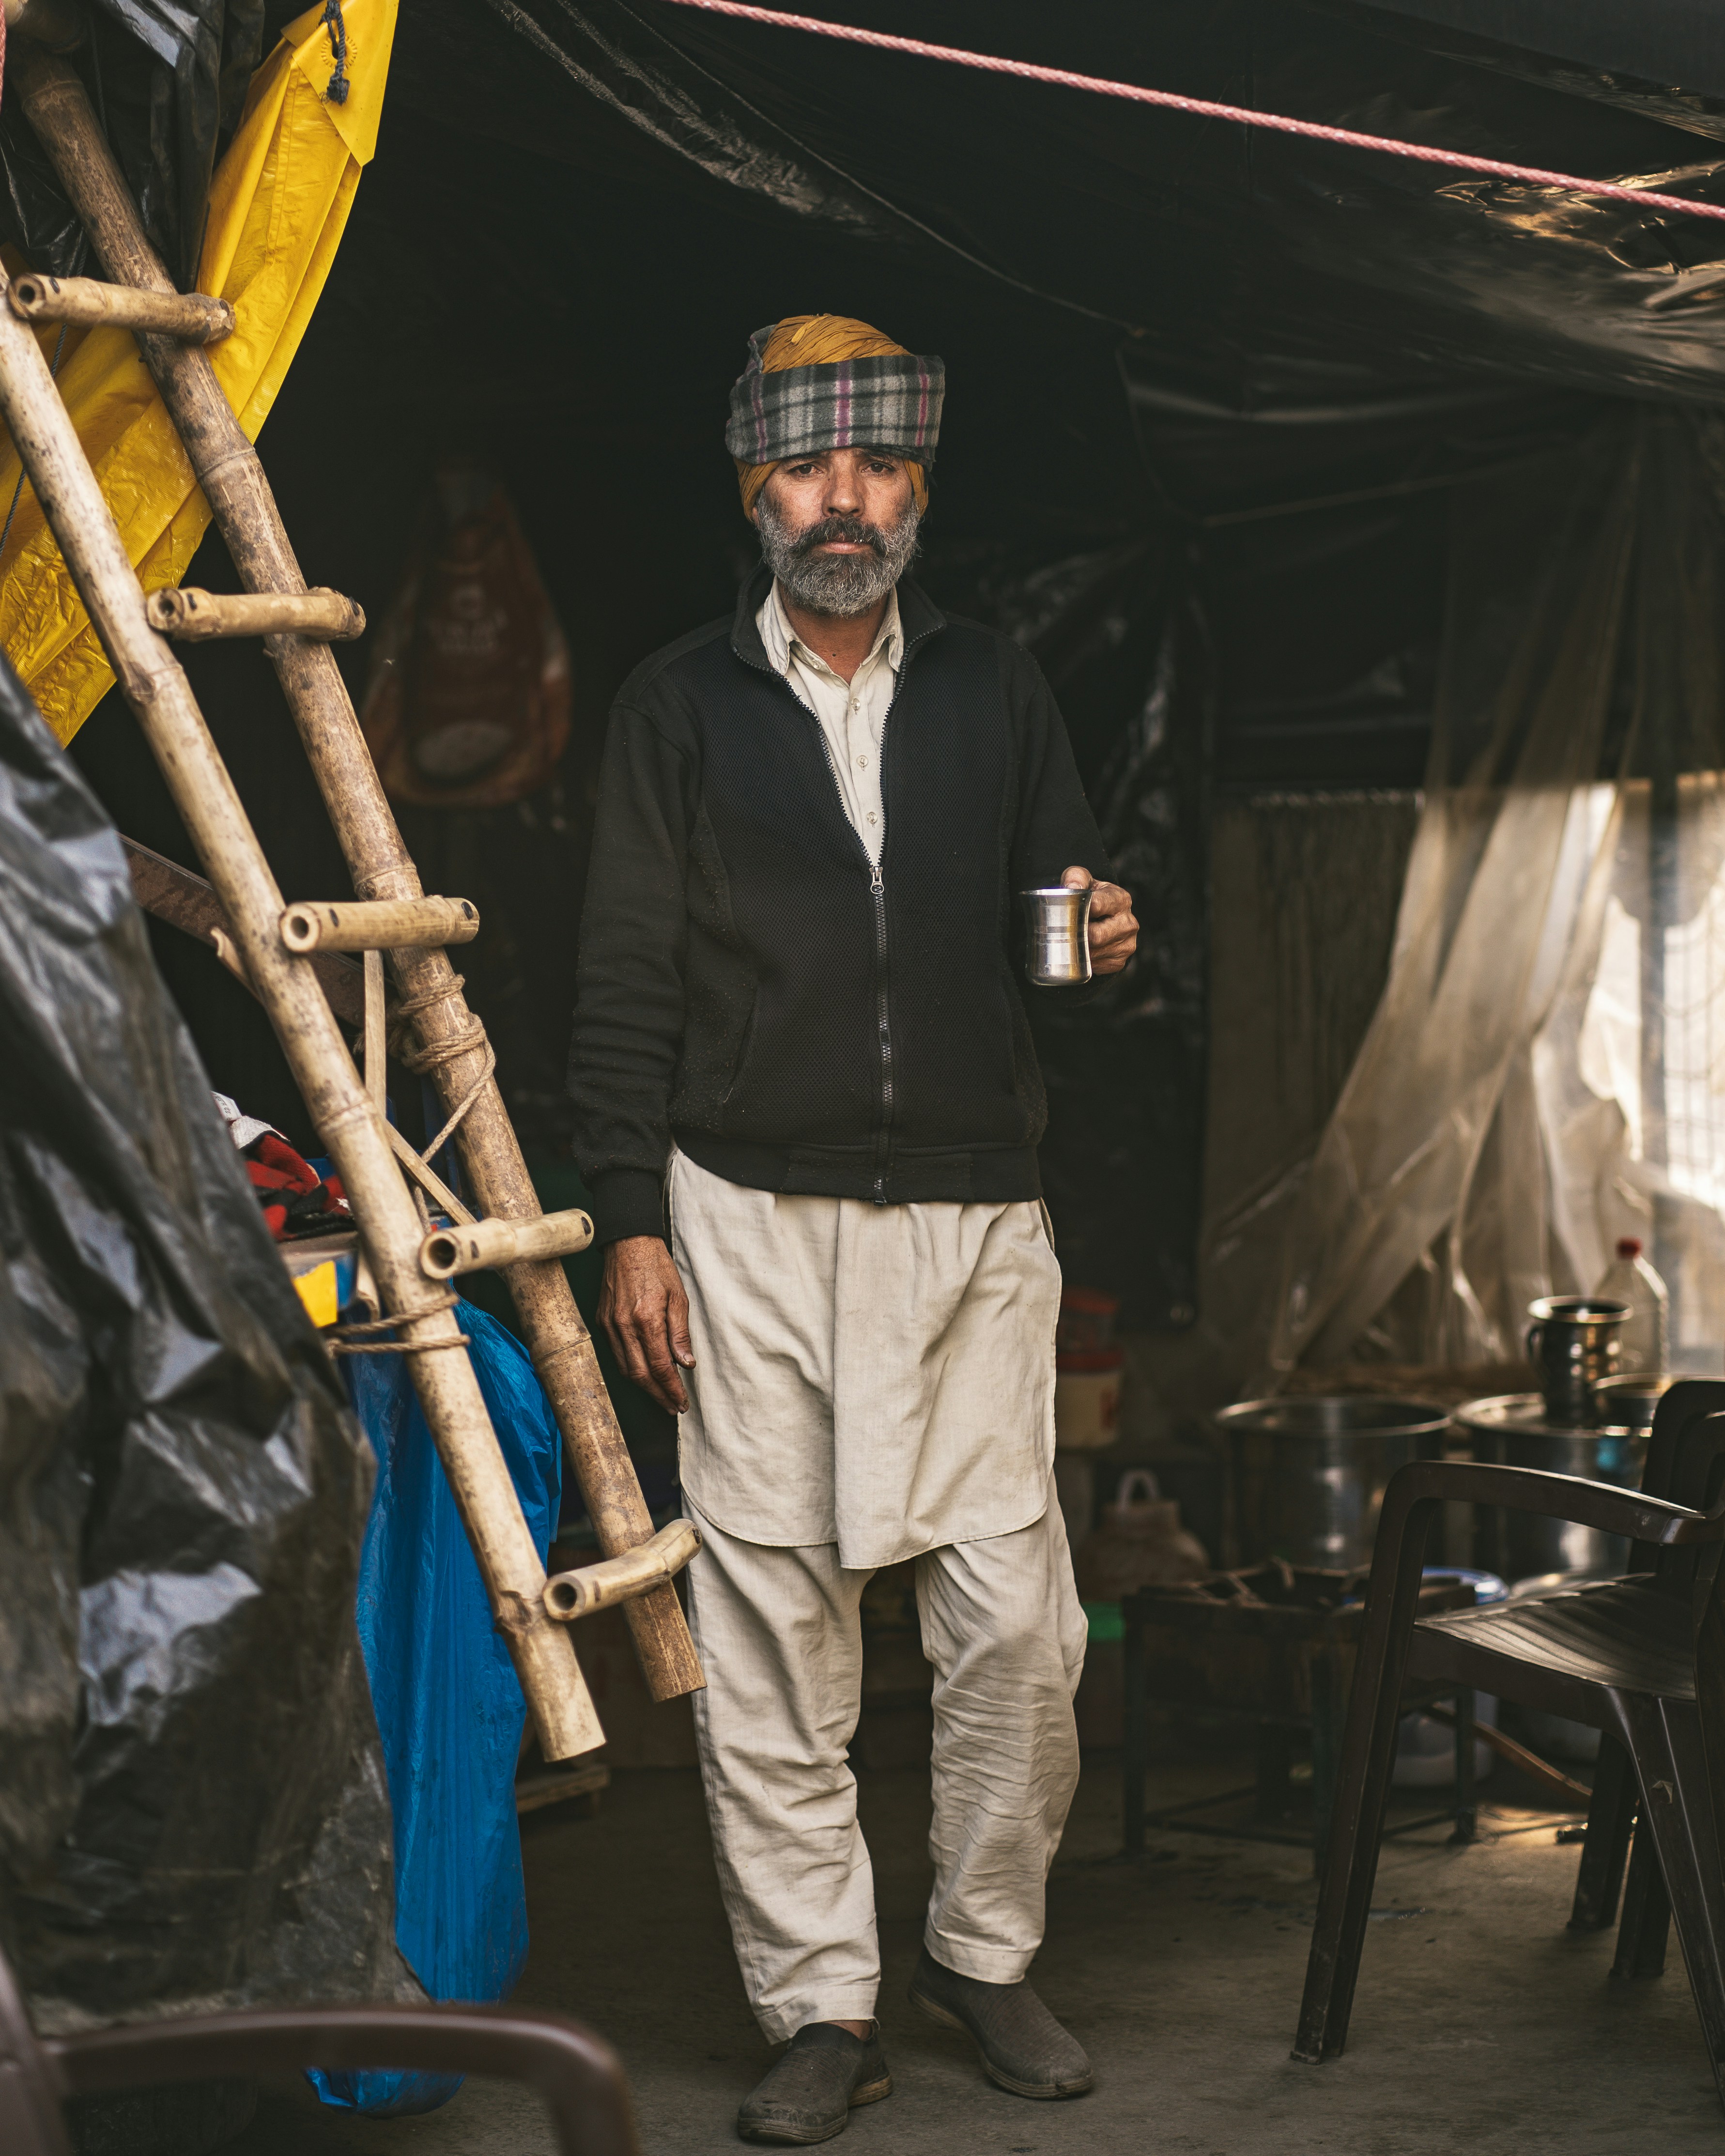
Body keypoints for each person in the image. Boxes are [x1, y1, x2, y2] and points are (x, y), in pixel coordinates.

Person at [569, 314, 1138, 2144]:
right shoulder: (678, 704)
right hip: (748, 1221)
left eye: (881, 467)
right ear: (755, 489)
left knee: (1016, 1632)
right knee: (772, 1634)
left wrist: (1104, 941)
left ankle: (980, 1950)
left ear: (918, 489)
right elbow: (625, 978)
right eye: (812, 468)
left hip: (973, 1221)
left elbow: (1057, 910)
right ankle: (821, 2000)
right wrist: (633, 1220)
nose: (848, 502)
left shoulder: (993, 682)